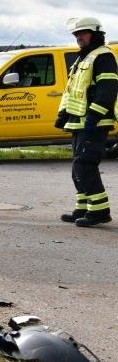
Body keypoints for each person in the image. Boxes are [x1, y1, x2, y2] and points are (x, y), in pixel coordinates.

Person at [56, 16, 117, 226]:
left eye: (82, 33)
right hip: (79, 122)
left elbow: (107, 91)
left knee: (85, 165)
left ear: (95, 34)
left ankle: (100, 212)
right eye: (76, 34)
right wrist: (63, 114)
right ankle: (83, 208)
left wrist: (93, 116)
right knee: (77, 168)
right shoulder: (83, 57)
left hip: (94, 122)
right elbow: (71, 90)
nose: (78, 37)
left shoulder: (103, 56)